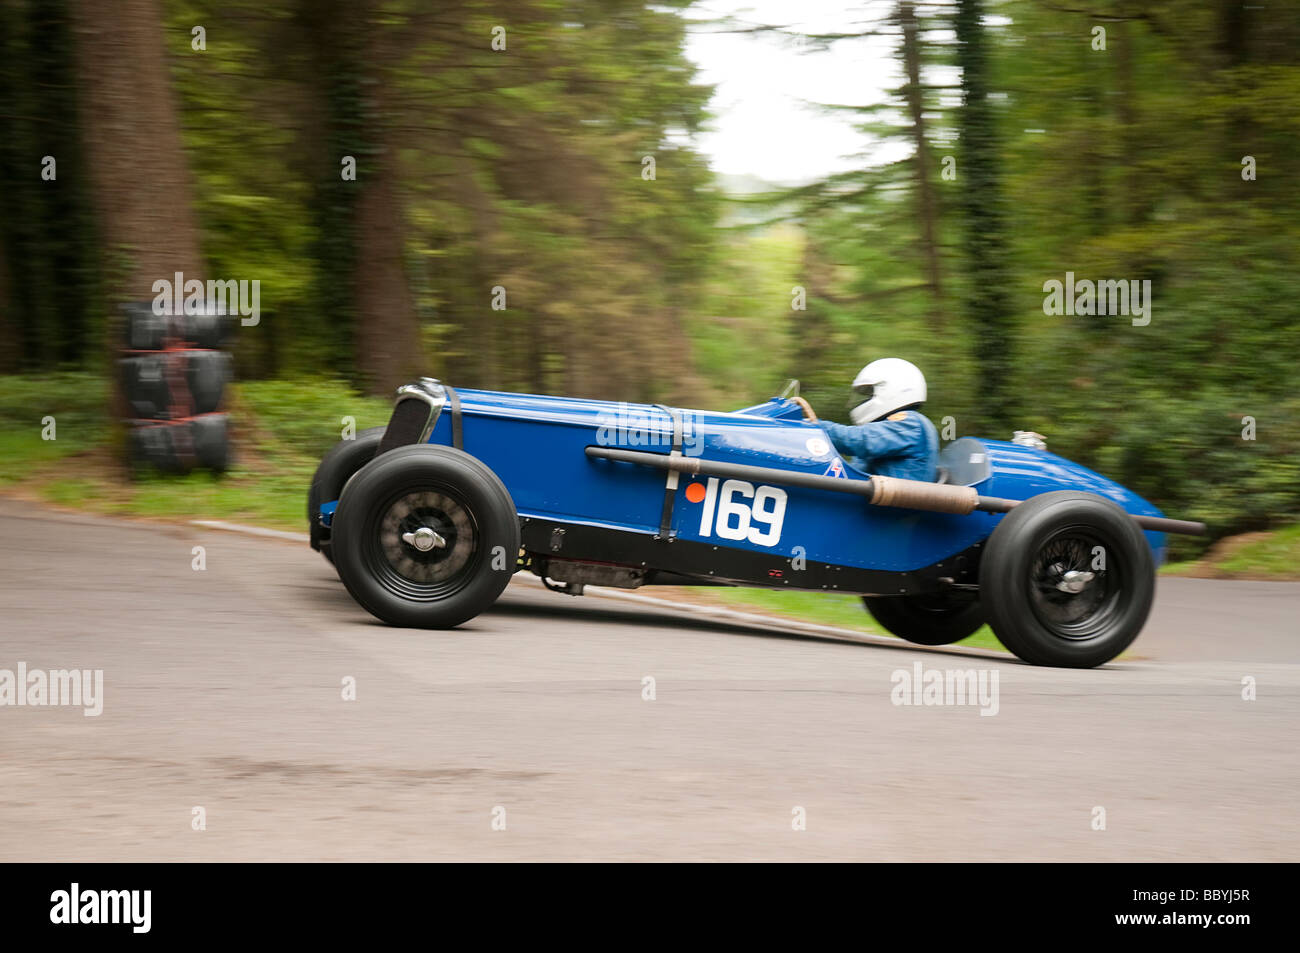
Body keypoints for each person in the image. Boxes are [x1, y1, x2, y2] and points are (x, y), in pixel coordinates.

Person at [819, 358, 939, 482]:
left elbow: (860, 440)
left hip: (892, 501)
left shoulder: (911, 423)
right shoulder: (886, 431)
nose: (866, 400)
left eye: (870, 394)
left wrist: (816, 427)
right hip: (867, 498)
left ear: (890, 389)